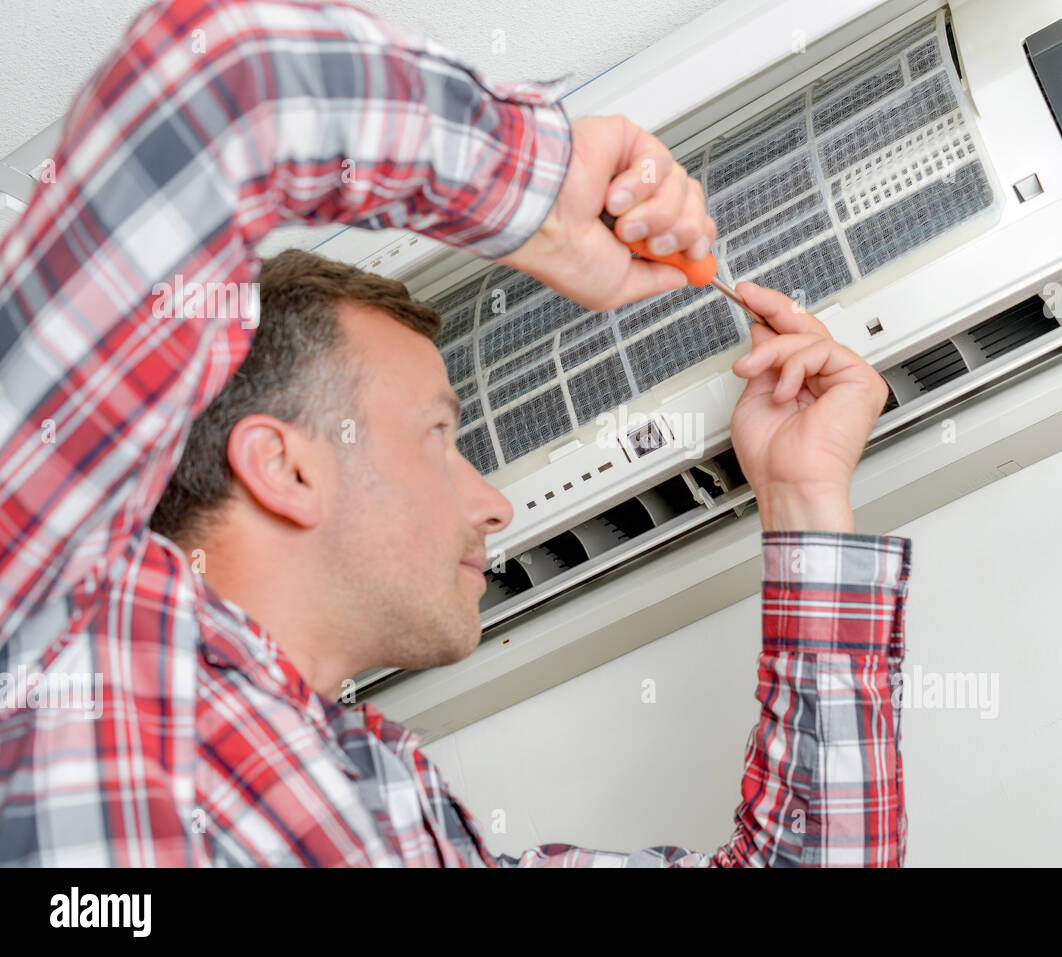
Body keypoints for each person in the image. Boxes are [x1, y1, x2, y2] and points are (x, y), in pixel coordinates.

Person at [0, 0, 910, 866]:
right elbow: (230, 85)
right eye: (440, 433)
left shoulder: (404, 823)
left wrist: (802, 500)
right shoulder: (65, 637)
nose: (493, 502)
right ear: (285, 467)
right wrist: (544, 199)